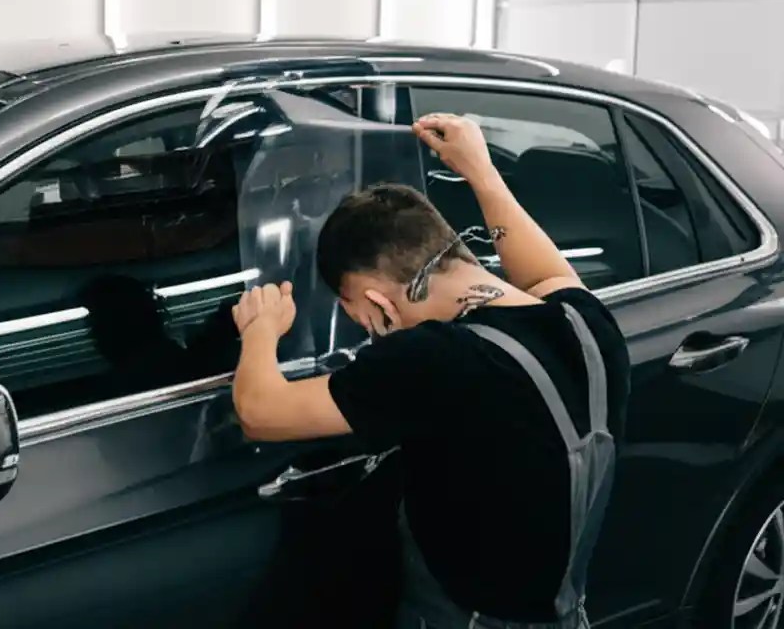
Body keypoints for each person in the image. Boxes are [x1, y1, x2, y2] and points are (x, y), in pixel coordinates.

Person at [230, 113, 630, 628]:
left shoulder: (432, 360)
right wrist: (481, 174)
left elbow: (259, 413)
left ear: (374, 304)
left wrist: (260, 328)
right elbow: (548, 273)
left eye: (359, 317)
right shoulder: (585, 321)